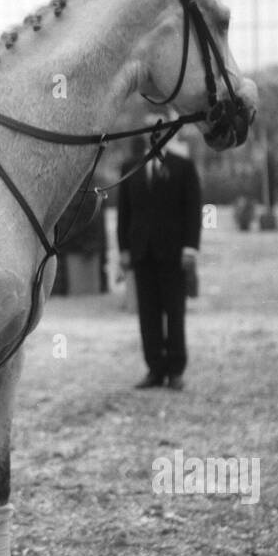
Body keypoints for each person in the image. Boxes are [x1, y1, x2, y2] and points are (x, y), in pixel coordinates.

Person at [117, 119, 201, 390]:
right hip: (142, 253)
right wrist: (124, 250)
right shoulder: (131, 168)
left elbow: (193, 212)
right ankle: (154, 368)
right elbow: (124, 213)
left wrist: (190, 249)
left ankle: (175, 370)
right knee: (148, 314)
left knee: (174, 312)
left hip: (173, 253)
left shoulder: (183, 167)